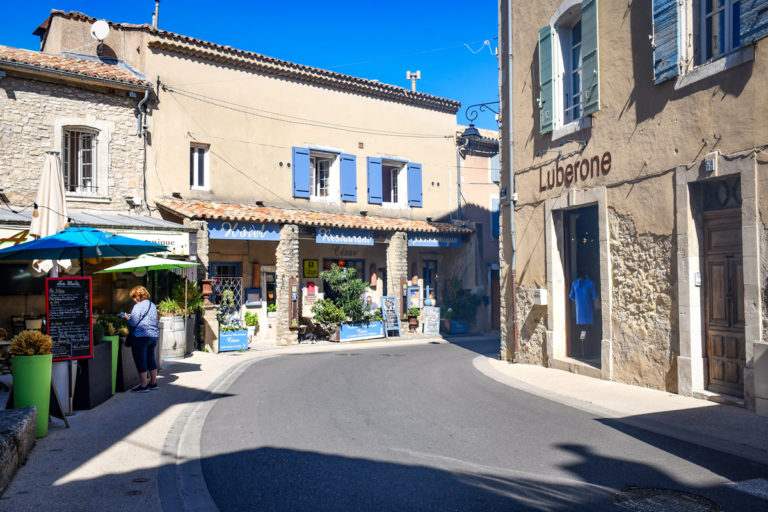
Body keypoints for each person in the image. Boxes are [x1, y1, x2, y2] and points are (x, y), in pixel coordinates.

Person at [122, 286, 159, 393]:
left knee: (140, 360)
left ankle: (143, 386)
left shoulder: (138, 306)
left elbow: (133, 322)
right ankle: (153, 383)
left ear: (138, 296)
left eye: (134, 297)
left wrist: (126, 317)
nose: (134, 299)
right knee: (151, 359)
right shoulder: (152, 305)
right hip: (153, 336)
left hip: (141, 337)